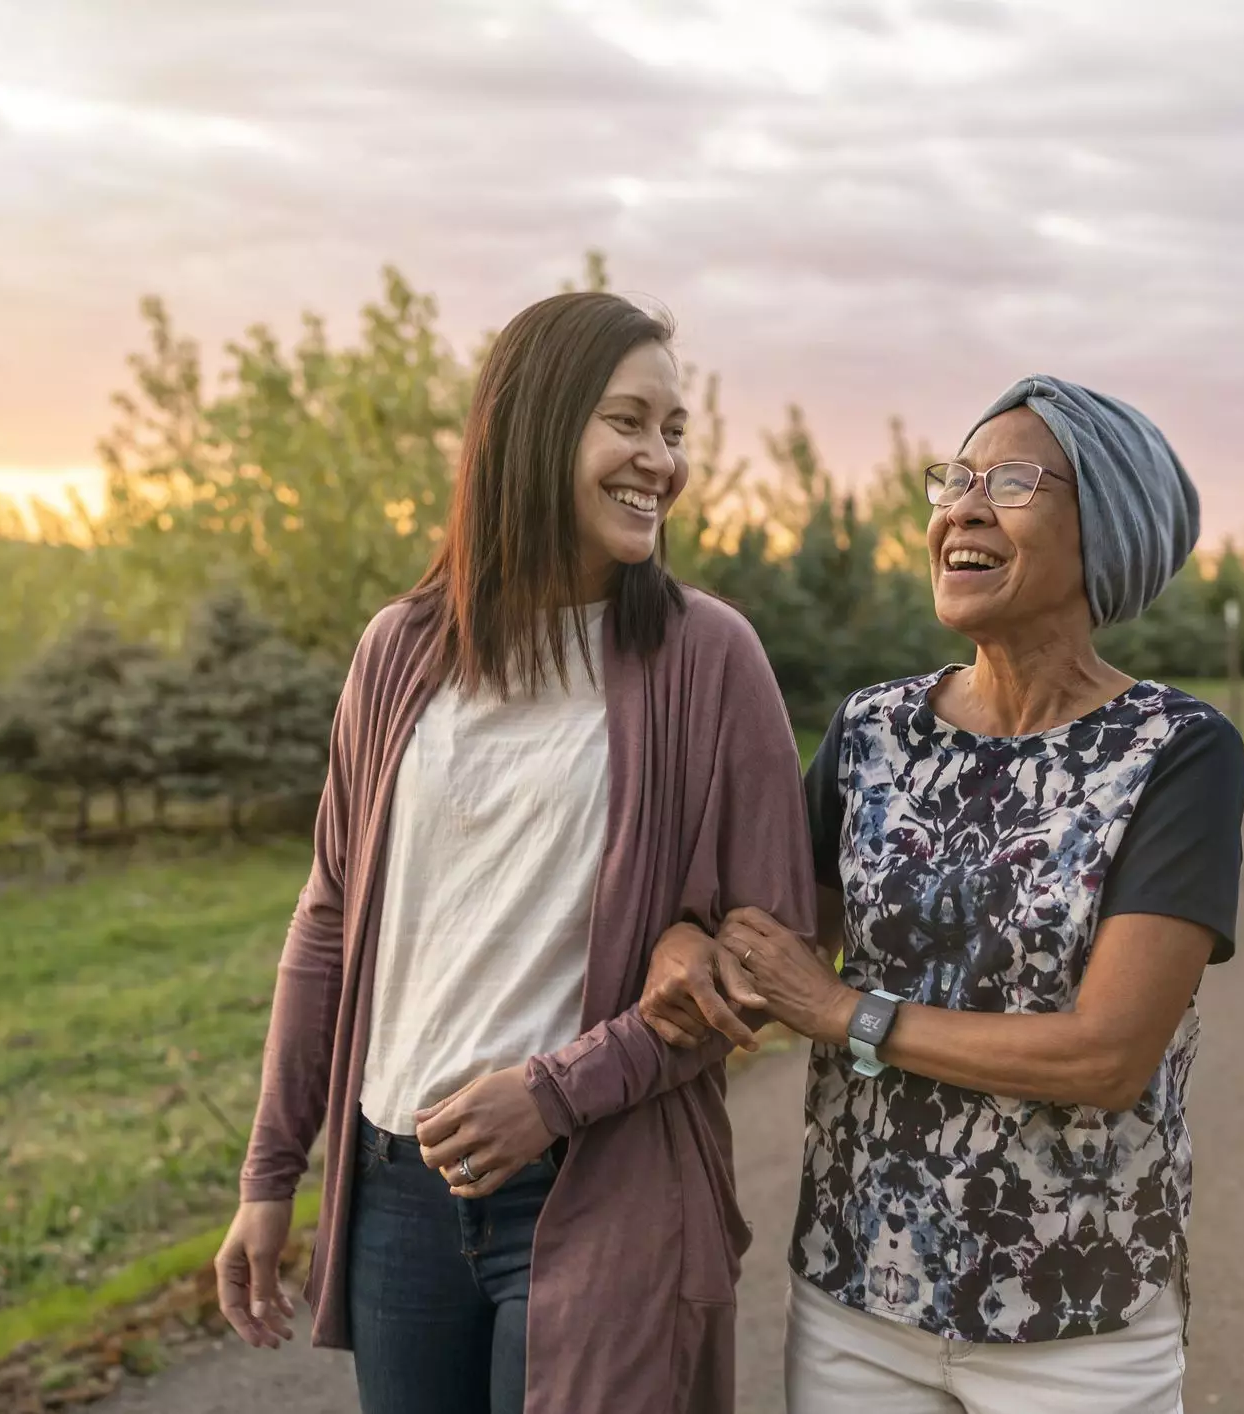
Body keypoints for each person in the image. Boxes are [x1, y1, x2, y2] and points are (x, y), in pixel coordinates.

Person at [214, 290, 816, 1414]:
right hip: (398, 1190)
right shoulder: (400, 651)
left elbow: (765, 956)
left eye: (674, 431)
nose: (661, 460)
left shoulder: (708, 658)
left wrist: (555, 1092)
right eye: (628, 422)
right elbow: (328, 921)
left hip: (601, 1180)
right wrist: (270, 1176)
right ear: (534, 428)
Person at [642, 375, 1244, 1414]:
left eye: (1011, 481)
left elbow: (1106, 1056)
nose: (962, 506)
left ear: (1103, 529)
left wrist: (845, 1012)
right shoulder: (873, 731)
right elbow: (772, 946)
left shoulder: (1176, 755)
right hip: (858, 1303)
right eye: (954, 478)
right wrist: (684, 945)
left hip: (1081, 1321)